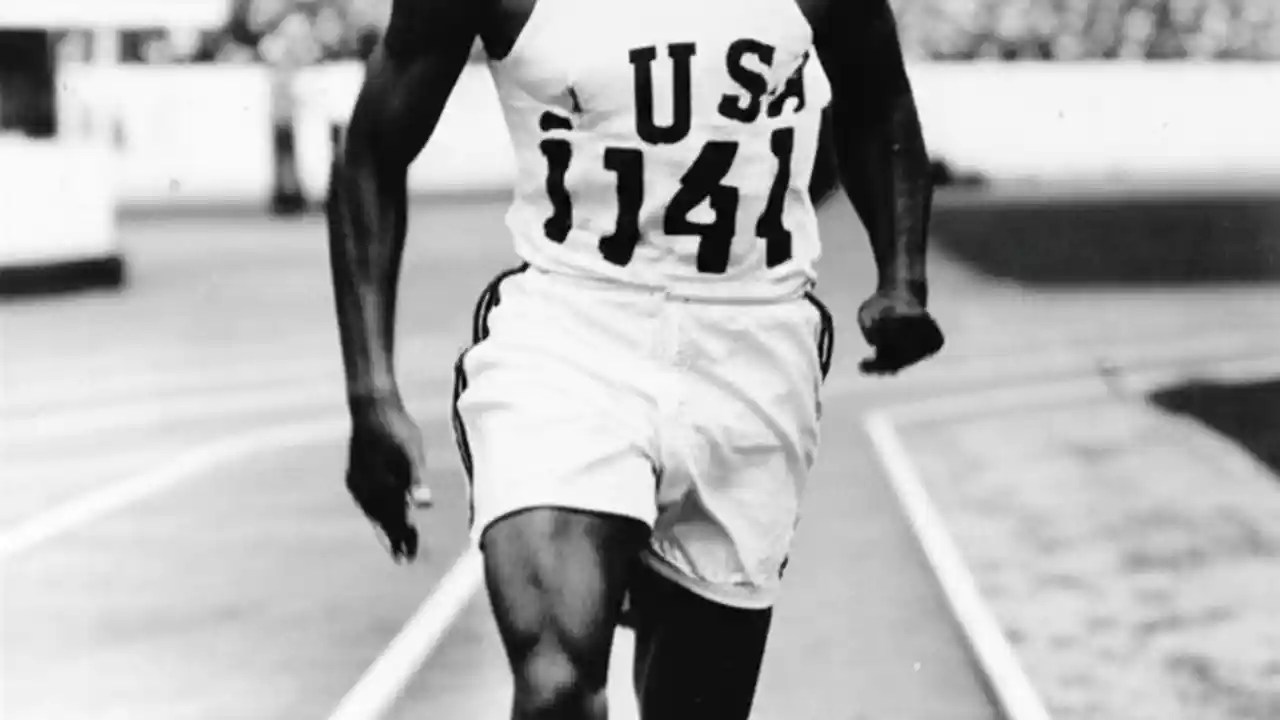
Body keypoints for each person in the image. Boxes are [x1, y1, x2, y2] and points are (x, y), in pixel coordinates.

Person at [326, 0, 944, 717]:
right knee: (556, 688)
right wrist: (370, 394)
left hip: (752, 346)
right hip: (573, 330)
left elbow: (878, 101)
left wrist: (904, 276)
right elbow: (373, 148)